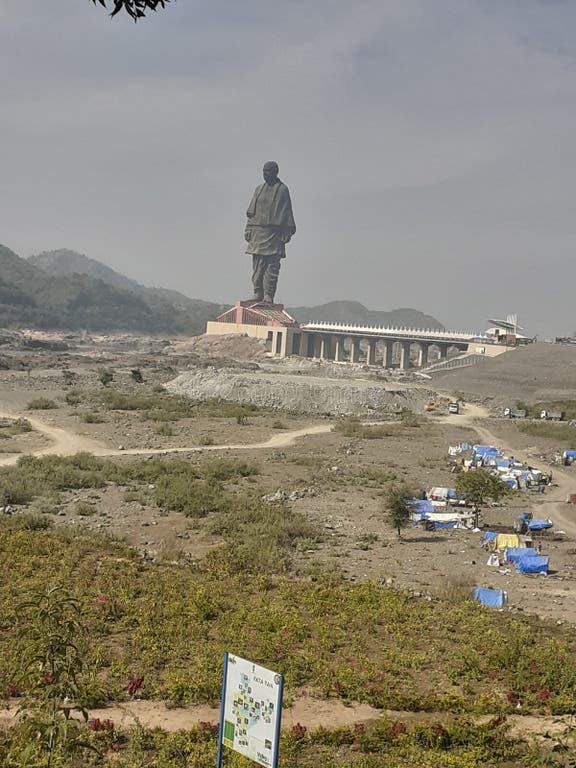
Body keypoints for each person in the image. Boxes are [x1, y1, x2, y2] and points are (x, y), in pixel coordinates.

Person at [245, 161, 296, 303]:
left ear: (275, 172)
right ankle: (257, 292)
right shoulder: (258, 189)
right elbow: (251, 212)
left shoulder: (282, 190)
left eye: (268, 171)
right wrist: (248, 228)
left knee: (271, 266)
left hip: (274, 233)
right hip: (257, 231)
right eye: (263, 171)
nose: (265, 174)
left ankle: (268, 294)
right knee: (257, 265)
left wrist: (287, 231)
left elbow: (287, 211)